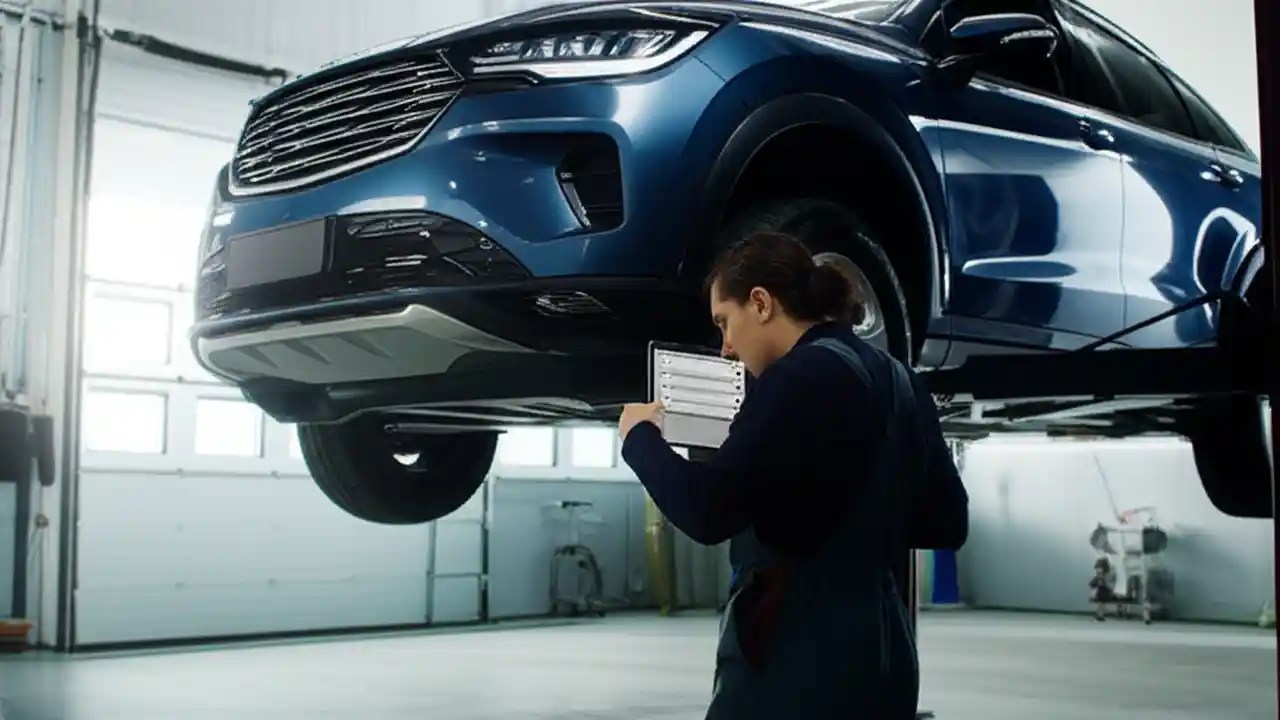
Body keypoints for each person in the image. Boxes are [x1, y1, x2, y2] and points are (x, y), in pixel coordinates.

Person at [617, 232, 969, 719]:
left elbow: (707, 511)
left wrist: (640, 439)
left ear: (760, 302)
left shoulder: (794, 378)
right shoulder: (902, 380)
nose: (726, 349)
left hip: (796, 653)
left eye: (725, 323)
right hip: (885, 655)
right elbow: (947, 522)